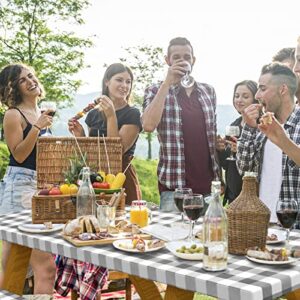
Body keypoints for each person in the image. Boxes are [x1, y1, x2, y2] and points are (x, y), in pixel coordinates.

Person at [142, 37, 220, 211]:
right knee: (172, 238)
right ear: (167, 60)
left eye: (186, 56)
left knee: (210, 238)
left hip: (208, 191)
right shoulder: (155, 89)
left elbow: (211, 137)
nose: (182, 61)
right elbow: (148, 125)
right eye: (176, 57)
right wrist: (167, 83)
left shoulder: (208, 91)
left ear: (193, 60)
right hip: (174, 191)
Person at [0, 64, 56, 296]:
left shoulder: (41, 112)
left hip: (39, 189)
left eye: (31, 75)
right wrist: (36, 128)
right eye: (23, 80)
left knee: (14, 267)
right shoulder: (13, 114)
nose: (31, 81)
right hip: (20, 188)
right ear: (14, 88)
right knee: (39, 268)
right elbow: (19, 154)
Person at [236, 62, 300, 227]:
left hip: (295, 227)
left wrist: (283, 141)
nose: (256, 95)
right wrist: (248, 128)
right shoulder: (263, 124)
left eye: (262, 89)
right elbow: (244, 169)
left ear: (282, 90)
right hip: (264, 225)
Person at [68, 63, 142, 204]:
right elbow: (91, 151)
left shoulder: (133, 114)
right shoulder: (93, 114)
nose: (124, 85)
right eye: (119, 80)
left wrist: (111, 117)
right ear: (107, 81)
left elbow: (116, 151)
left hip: (121, 177)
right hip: (96, 177)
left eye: (128, 82)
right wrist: (81, 136)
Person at [217, 80, 258, 205]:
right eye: (237, 96)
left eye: (245, 96)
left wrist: (240, 149)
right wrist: (221, 149)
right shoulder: (234, 125)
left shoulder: (260, 124)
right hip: (233, 192)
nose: (239, 100)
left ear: (255, 99)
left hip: (251, 193)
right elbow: (227, 164)